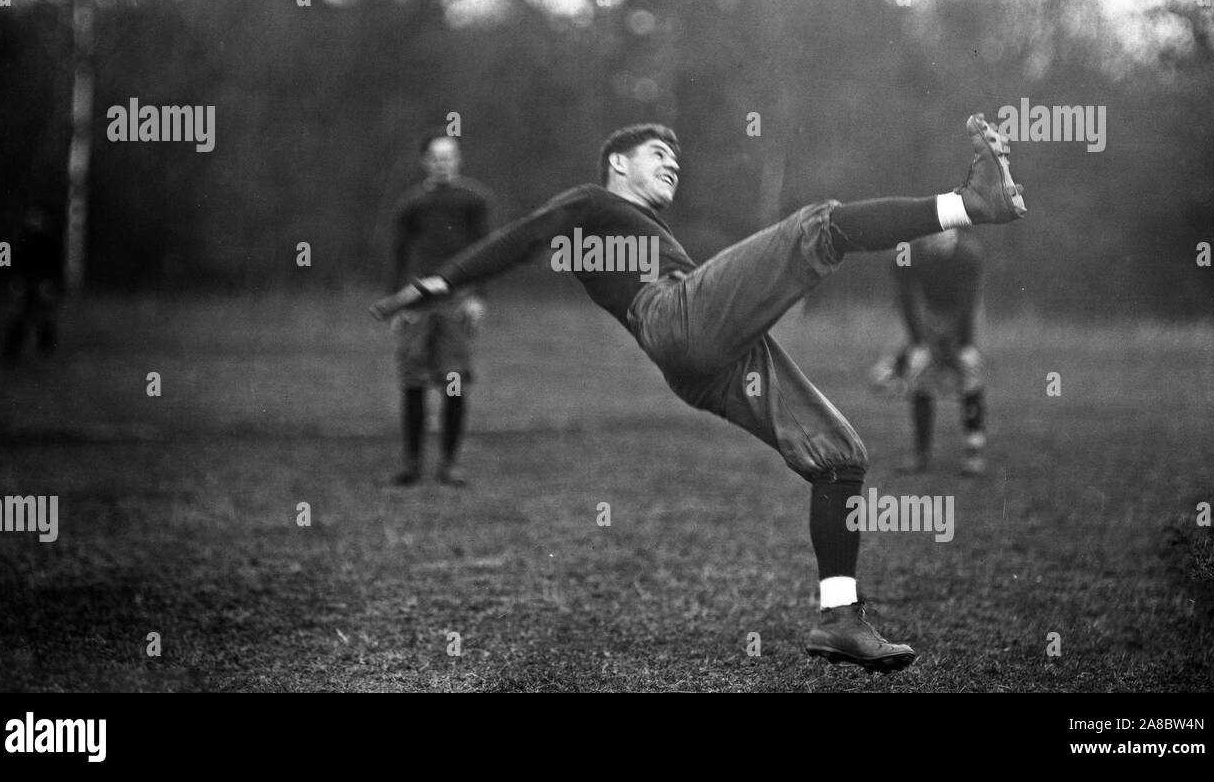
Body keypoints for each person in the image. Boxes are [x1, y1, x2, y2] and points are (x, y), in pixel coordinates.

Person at [370, 115, 1026, 670]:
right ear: (617, 166)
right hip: (676, 320)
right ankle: (973, 202)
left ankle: (840, 617)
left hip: (703, 358)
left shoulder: (648, 230)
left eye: (676, 158)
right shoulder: (596, 203)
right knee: (818, 225)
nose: (672, 164)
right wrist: (439, 283)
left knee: (839, 455)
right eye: (659, 154)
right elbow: (526, 236)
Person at [384, 132, 493, 487]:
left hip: (456, 301)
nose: (443, 163)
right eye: (436, 157)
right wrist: (399, 302)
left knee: (454, 382)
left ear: (458, 160)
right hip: (418, 303)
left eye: (450, 157)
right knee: (413, 381)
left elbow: (485, 252)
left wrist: (478, 297)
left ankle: (450, 464)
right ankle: (411, 465)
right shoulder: (411, 204)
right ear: (426, 161)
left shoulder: (474, 200)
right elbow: (399, 256)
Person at [875, 228, 988, 475]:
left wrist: (966, 343)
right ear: (927, 238)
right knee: (920, 378)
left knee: (969, 374)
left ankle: (974, 452)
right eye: (938, 238)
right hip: (931, 314)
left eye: (949, 238)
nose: (944, 243)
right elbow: (906, 299)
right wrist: (917, 344)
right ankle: (921, 455)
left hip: (962, 313)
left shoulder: (969, 255)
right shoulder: (910, 255)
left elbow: (969, 302)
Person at [3, 205, 62, 365]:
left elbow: (55, 265)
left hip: (43, 284)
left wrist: (50, 284)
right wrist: (16, 282)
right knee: (19, 317)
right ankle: (11, 352)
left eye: (37, 218)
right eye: (31, 217)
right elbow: (14, 264)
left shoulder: (49, 241)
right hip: (25, 283)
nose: (34, 221)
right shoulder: (21, 240)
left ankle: (46, 349)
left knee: (44, 318)